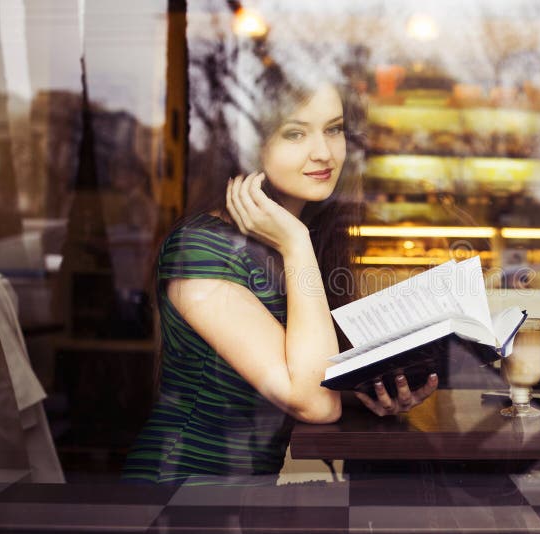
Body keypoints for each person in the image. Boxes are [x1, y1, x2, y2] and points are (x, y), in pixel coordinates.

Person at [122, 43, 437, 485]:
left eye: (334, 129)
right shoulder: (200, 249)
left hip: (238, 499)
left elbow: (314, 375)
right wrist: (296, 242)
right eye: (295, 133)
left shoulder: (294, 240)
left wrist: (372, 393)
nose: (324, 153)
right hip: (177, 494)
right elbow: (313, 400)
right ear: (251, 144)